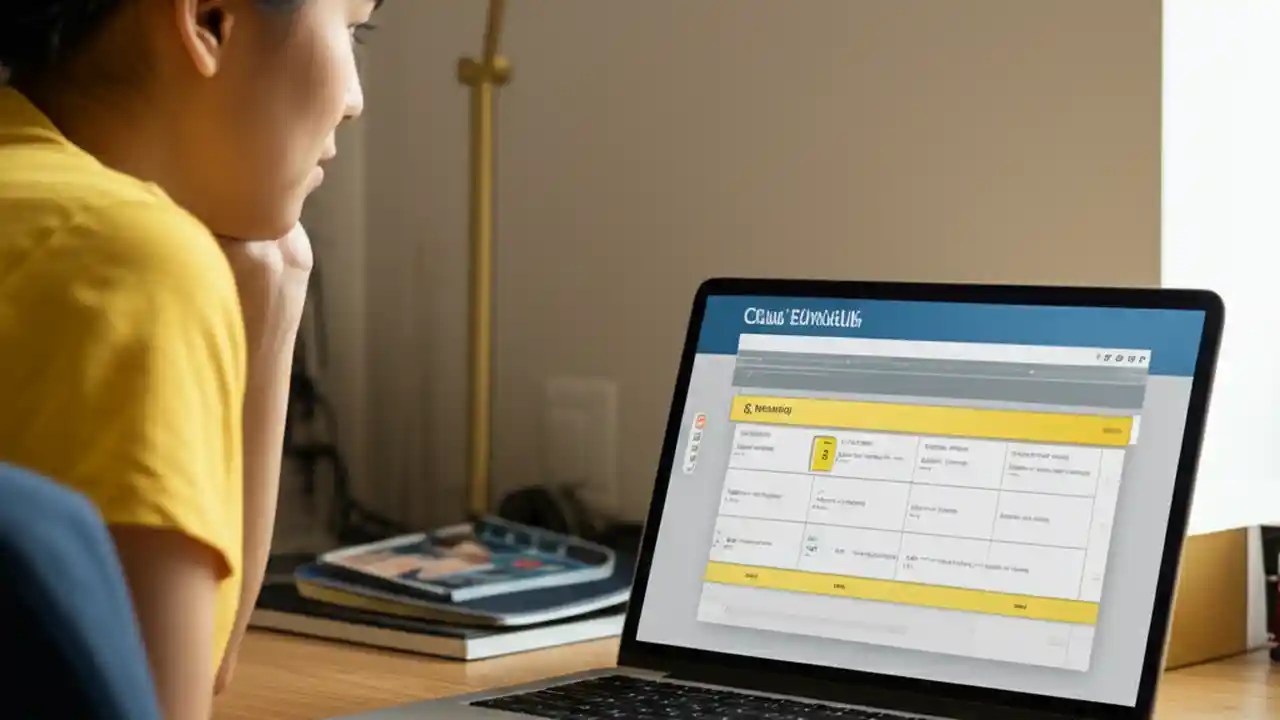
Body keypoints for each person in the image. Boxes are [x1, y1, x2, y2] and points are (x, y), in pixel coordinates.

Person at [0, 1, 379, 717]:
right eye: (353, 28)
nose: (357, 99)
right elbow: (172, 698)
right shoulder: (125, 265)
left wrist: (271, 289)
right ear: (208, 20)